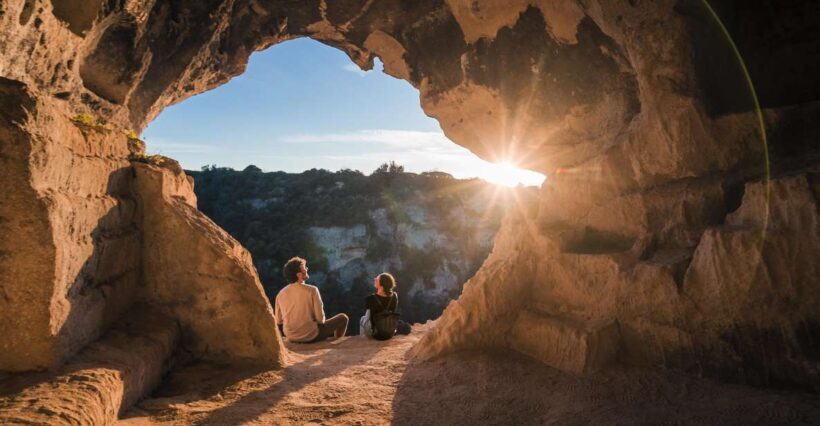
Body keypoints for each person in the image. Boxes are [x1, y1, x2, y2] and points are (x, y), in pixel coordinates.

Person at [274, 257, 348, 343]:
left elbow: (278, 320)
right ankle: (336, 342)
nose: (307, 269)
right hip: (311, 335)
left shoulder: (280, 294)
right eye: (304, 268)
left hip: (291, 336)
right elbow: (321, 320)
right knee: (343, 318)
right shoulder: (312, 290)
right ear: (299, 275)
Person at [360, 272, 410, 340]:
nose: (374, 279)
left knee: (363, 318)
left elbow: (368, 316)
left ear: (382, 285)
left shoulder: (370, 299)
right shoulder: (394, 296)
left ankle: (363, 338)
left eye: (377, 279)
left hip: (376, 334)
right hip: (389, 331)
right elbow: (392, 311)